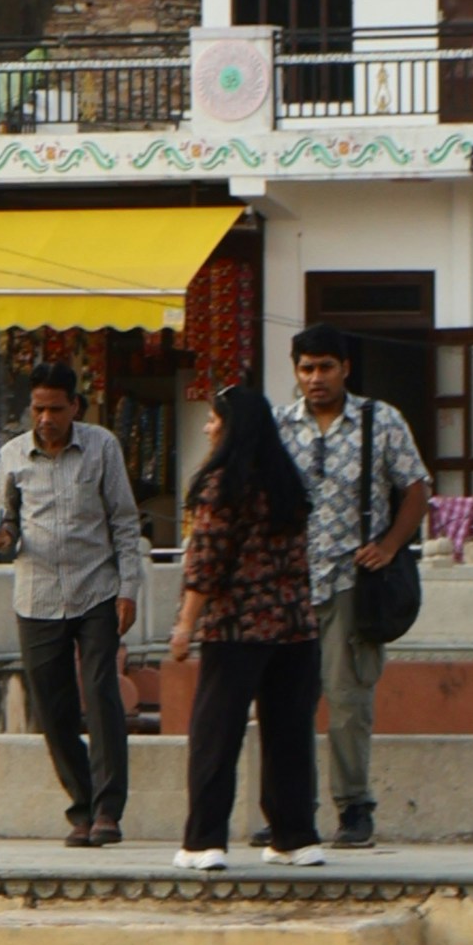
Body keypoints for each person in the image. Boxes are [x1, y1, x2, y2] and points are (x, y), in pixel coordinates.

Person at [279, 322, 429, 851]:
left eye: (324, 367)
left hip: (350, 580)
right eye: (305, 368)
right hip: (292, 584)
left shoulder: (378, 421)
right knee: (286, 704)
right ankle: (290, 812)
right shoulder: (280, 425)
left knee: (347, 701)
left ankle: (354, 808)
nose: (315, 379)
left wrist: (389, 545)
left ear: (345, 369)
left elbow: (415, 487)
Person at [0, 357, 143, 846]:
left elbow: (124, 521)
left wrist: (129, 589)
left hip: (96, 590)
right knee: (52, 709)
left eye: (56, 409)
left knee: (101, 696)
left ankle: (109, 812)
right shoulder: (12, 455)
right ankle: (82, 805)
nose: (46, 419)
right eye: (38, 409)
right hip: (36, 596)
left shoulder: (102, 447)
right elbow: (5, 520)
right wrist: (1, 536)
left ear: (75, 406)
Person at [170, 370, 321, 865]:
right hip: (295, 627)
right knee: (289, 737)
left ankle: (205, 842)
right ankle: (295, 838)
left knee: (216, 734)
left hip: (236, 627)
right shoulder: (287, 482)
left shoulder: (221, 483)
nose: (208, 428)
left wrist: (185, 625)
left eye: (214, 420)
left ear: (231, 427)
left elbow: (206, 562)